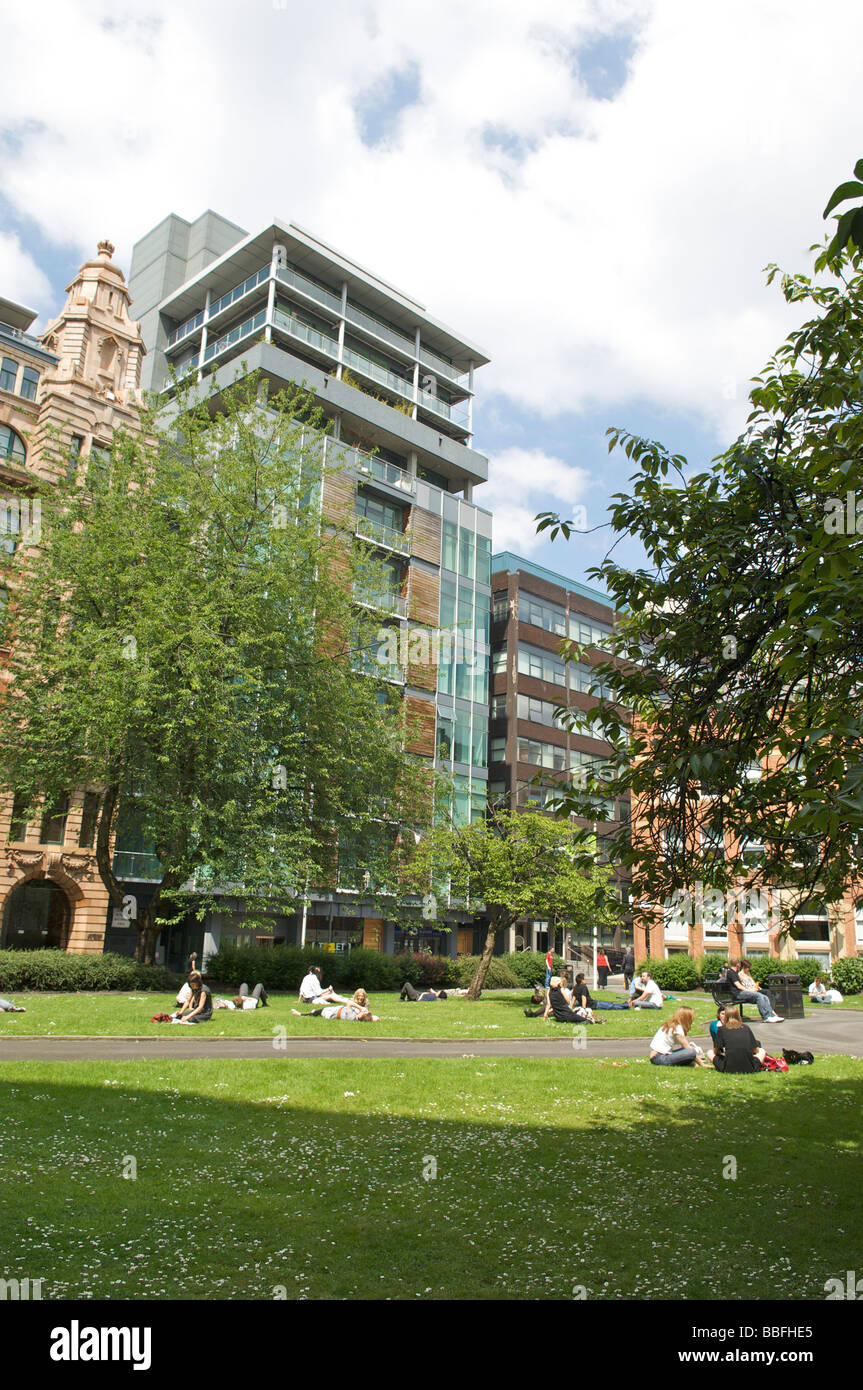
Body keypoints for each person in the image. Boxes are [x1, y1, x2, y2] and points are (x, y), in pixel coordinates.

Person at [707, 1006, 766, 1073]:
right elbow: (755, 1050)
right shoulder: (746, 1028)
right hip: (749, 1067)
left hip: (728, 1068)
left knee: (709, 1052)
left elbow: (716, 1051)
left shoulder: (721, 1029)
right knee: (762, 1050)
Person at [724, 957, 783, 1023]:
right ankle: (766, 1017)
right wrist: (750, 990)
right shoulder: (731, 973)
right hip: (737, 994)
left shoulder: (735, 972)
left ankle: (771, 1015)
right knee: (759, 996)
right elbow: (739, 986)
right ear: (738, 964)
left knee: (765, 997)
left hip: (740, 992)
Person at [292, 988, 379, 1022]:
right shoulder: (357, 1015)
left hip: (331, 1013)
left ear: (360, 1017)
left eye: (362, 1013)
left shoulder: (352, 1016)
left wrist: (361, 1008)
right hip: (337, 1009)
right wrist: (368, 1015)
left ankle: (300, 1014)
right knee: (317, 1012)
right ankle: (313, 1012)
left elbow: (349, 1003)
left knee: (317, 1012)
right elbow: (376, 1018)